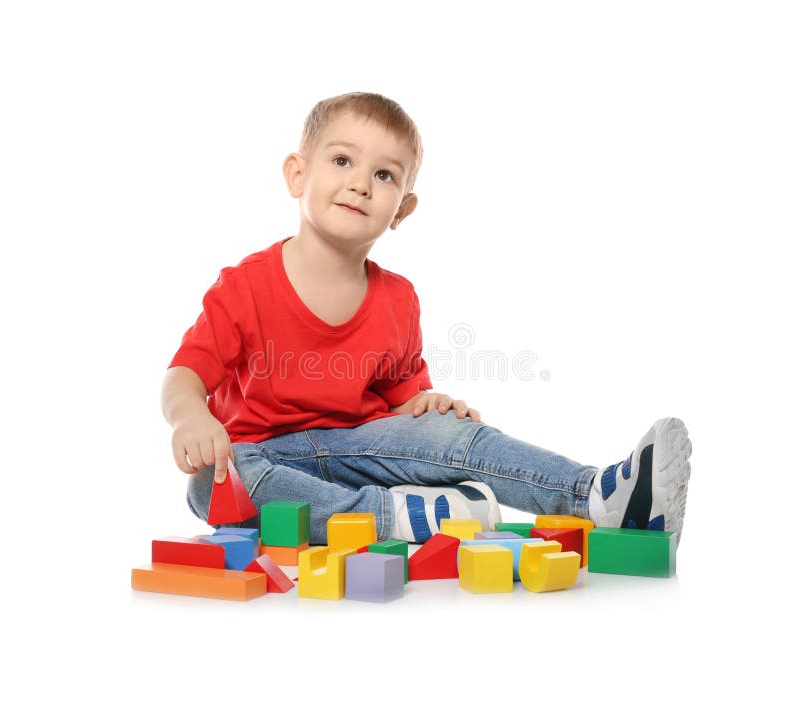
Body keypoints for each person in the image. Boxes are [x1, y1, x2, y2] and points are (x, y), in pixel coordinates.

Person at [161, 92, 692, 546]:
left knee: (448, 433)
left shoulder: (398, 299)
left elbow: (401, 402)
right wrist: (191, 417)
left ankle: (597, 496)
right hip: (264, 458)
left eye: (384, 174)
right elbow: (184, 375)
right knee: (209, 483)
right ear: (298, 175)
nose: (361, 184)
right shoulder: (245, 287)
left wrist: (428, 407)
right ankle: (397, 516)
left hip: (361, 451)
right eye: (342, 160)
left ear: (402, 209)